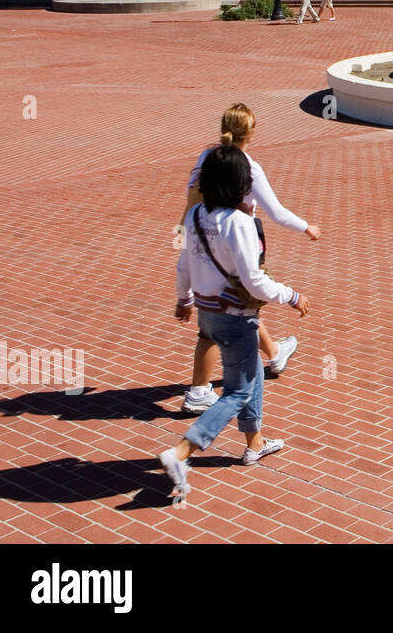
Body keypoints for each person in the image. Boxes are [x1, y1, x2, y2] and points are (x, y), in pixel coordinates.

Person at [161, 145, 310, 502]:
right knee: (237, 391)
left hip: (208, 315)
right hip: (236, 319)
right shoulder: (239, 222)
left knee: (254, 371)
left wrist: (184, 300)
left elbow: (184, 265)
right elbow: (254, 280)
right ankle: (182, 452)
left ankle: (254, 443)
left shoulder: (196, 214)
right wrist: (292, 296)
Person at [180, 103, 320, 414]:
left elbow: (191, 195)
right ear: (252, 132)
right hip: (236, 240)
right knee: (236, 308)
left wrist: (184, 290)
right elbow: (276, 212)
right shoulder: (248, 167)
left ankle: (273, 353)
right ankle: (200, 392)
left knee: (236, 307)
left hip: (200, 234)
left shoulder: (208, 157)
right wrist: (306, 227)